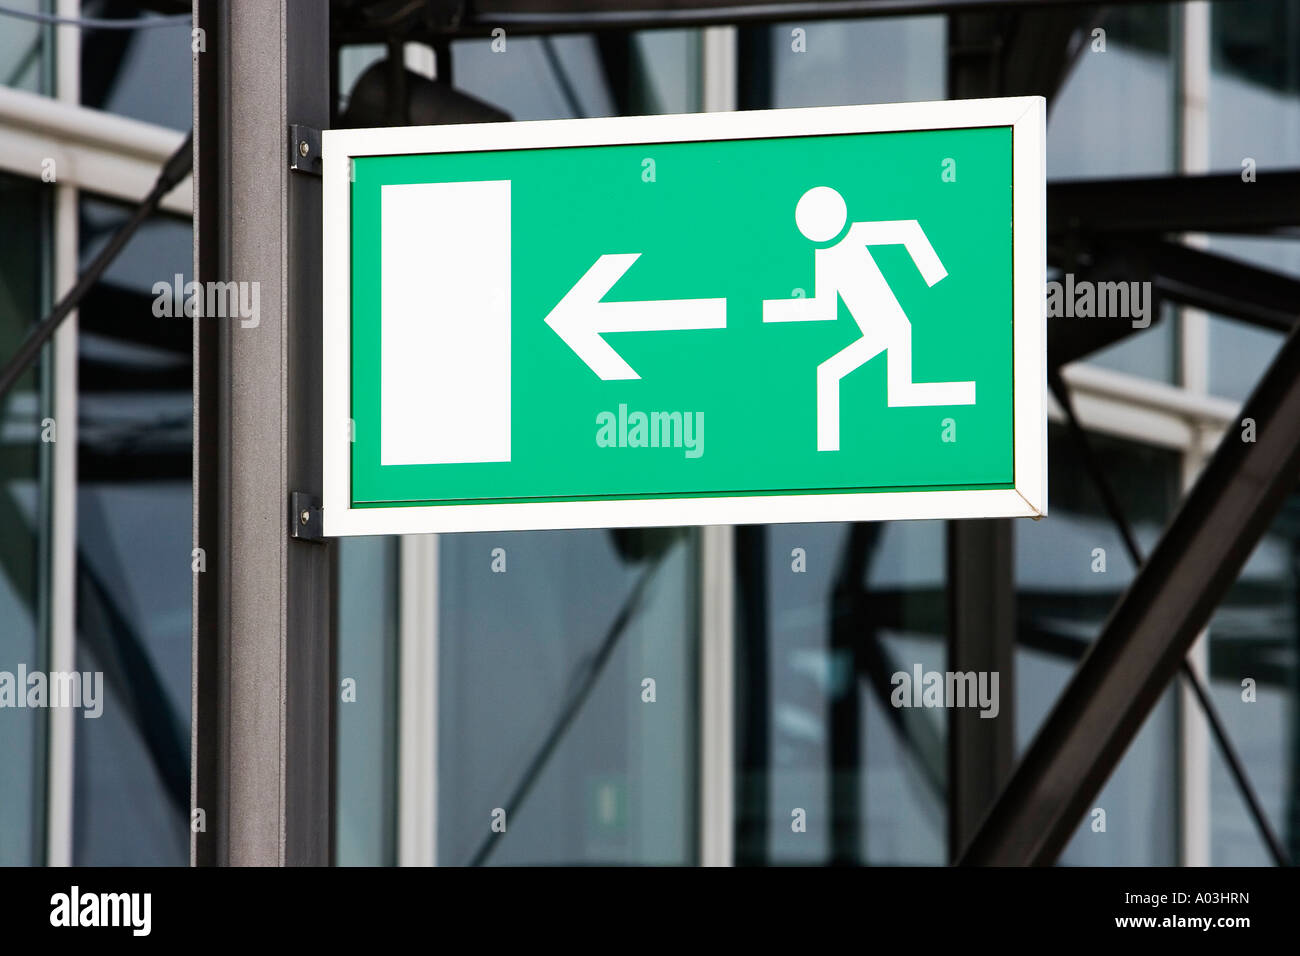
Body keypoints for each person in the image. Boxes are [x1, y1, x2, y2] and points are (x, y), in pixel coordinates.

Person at [763, 186, 976, 451]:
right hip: (881, 332)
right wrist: (777, 310)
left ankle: (828, 449)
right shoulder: (824, 258)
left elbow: (907, 231)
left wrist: (933, 272)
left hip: (891, 328)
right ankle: (964, 392)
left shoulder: (857, 234)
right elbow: (826, 308)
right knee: (899, 390)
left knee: (831, 374)